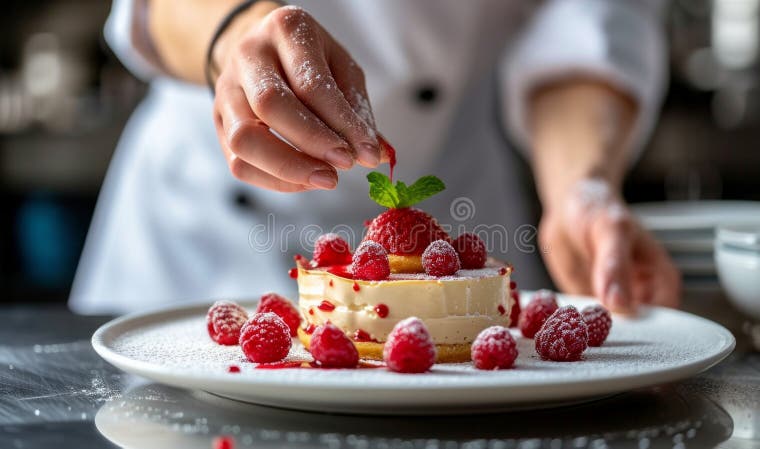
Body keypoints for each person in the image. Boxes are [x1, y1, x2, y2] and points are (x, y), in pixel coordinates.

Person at [70, 0, 680, 314]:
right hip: (199, 232)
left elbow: (585, 27)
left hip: (451, 216)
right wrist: (237, 31)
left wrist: (581, 184)